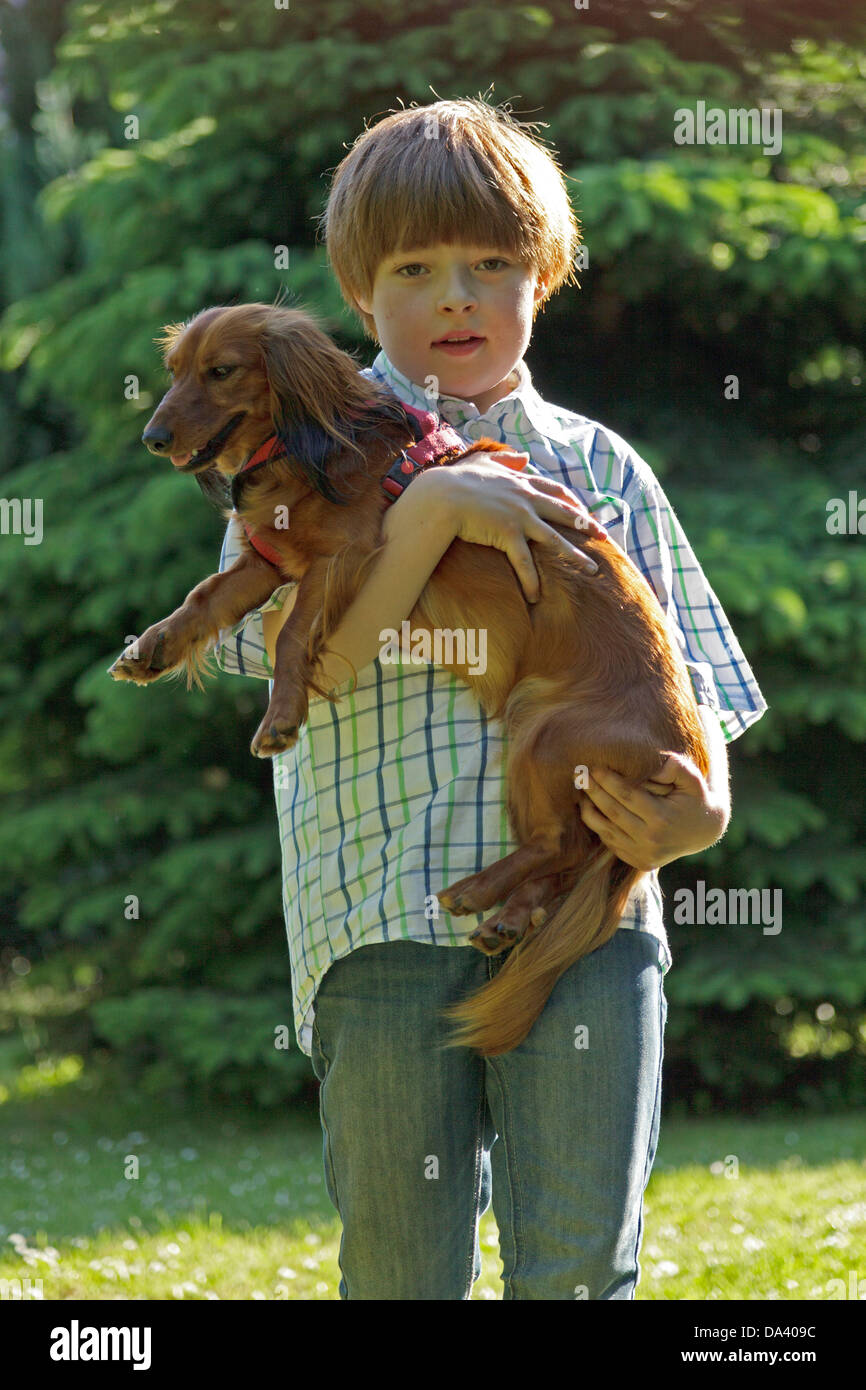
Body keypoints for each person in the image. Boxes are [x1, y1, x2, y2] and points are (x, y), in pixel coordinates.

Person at [213, 97, 767, 1300]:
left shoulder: (601, 469)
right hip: (381, 921)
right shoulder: (294, 466)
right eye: (415, 267)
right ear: (360, 296)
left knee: (575, 1269)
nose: (455, 296)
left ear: (544, 275)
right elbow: (290, 678)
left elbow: (691, 693)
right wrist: (427, 518)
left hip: (588, 925)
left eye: (491, 263)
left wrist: (700, 818)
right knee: (404, 1274)